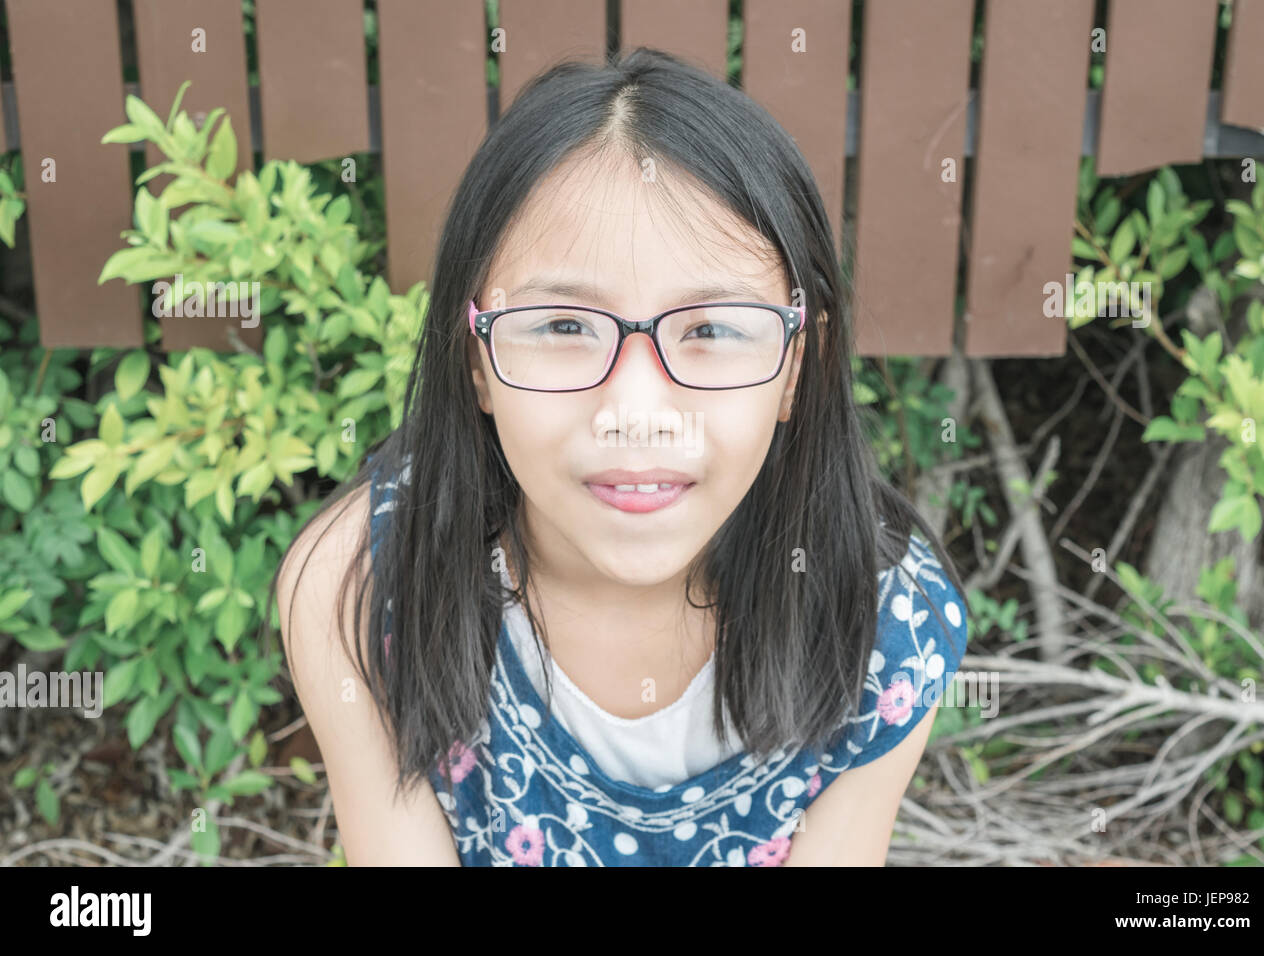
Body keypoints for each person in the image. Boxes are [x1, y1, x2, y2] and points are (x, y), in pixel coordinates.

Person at [274, 47, 969, 867]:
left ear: (796, 369)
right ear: (475, 363)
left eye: (710, 329)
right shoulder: (359, 587)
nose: (635, 416)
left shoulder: (886, 622)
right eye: (564, 326)